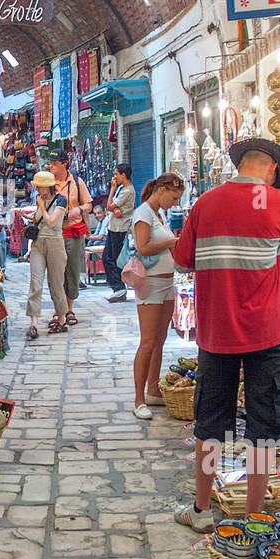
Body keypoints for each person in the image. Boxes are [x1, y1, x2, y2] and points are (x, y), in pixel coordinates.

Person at [172, 139, 280, 531]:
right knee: (263, 428)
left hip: (216, 335)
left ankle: (201, 510)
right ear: (271, 169)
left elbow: (182, 259)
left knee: (209, 425)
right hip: (266, 334)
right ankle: (255, 517)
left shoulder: (205, 204)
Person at [130, 173, 186, 420]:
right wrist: (173, 241)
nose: (175, 203)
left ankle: (153, 389)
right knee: (148, 342)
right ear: (162, 189)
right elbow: (142, 247)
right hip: (151, 284)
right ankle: (138, 398)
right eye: (173, 197)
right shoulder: (143, 213)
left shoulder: (158, 215)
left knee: (160, 340)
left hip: (166, 283)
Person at [24, 171, 69, 341]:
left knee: (56, 283)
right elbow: (40, 220)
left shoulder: (60, 200)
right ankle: (34, 323)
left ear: (48, 185)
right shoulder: (38, 199)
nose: (37, 188)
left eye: (39, 185)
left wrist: (42, 206)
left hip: (55, 243)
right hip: (38, 244)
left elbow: (51, 222)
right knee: (35, 282)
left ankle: (62, 318)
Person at [49, 150, 91, 326]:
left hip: (73, 232)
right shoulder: (47, 183)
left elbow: (89, 204)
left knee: (72, 271)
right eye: (50, 163)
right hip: (53, 234)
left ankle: (69, 309)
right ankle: (59, 310)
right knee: (55, 274)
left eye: (54, 163)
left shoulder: (76, 181)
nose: (51, 166)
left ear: (64, 163)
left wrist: (78, 209)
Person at [104, 163, 135, 302]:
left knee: (113, 258)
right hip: (114, 226)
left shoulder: (127, 191)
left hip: (120, 228)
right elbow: (112, 208)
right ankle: (118, 288)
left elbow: (109, 206)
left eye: (117, 173)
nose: (114, 176)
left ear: (124, 175)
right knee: (108, 257)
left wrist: (112, 188)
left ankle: (119, 287)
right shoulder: (122, 188)